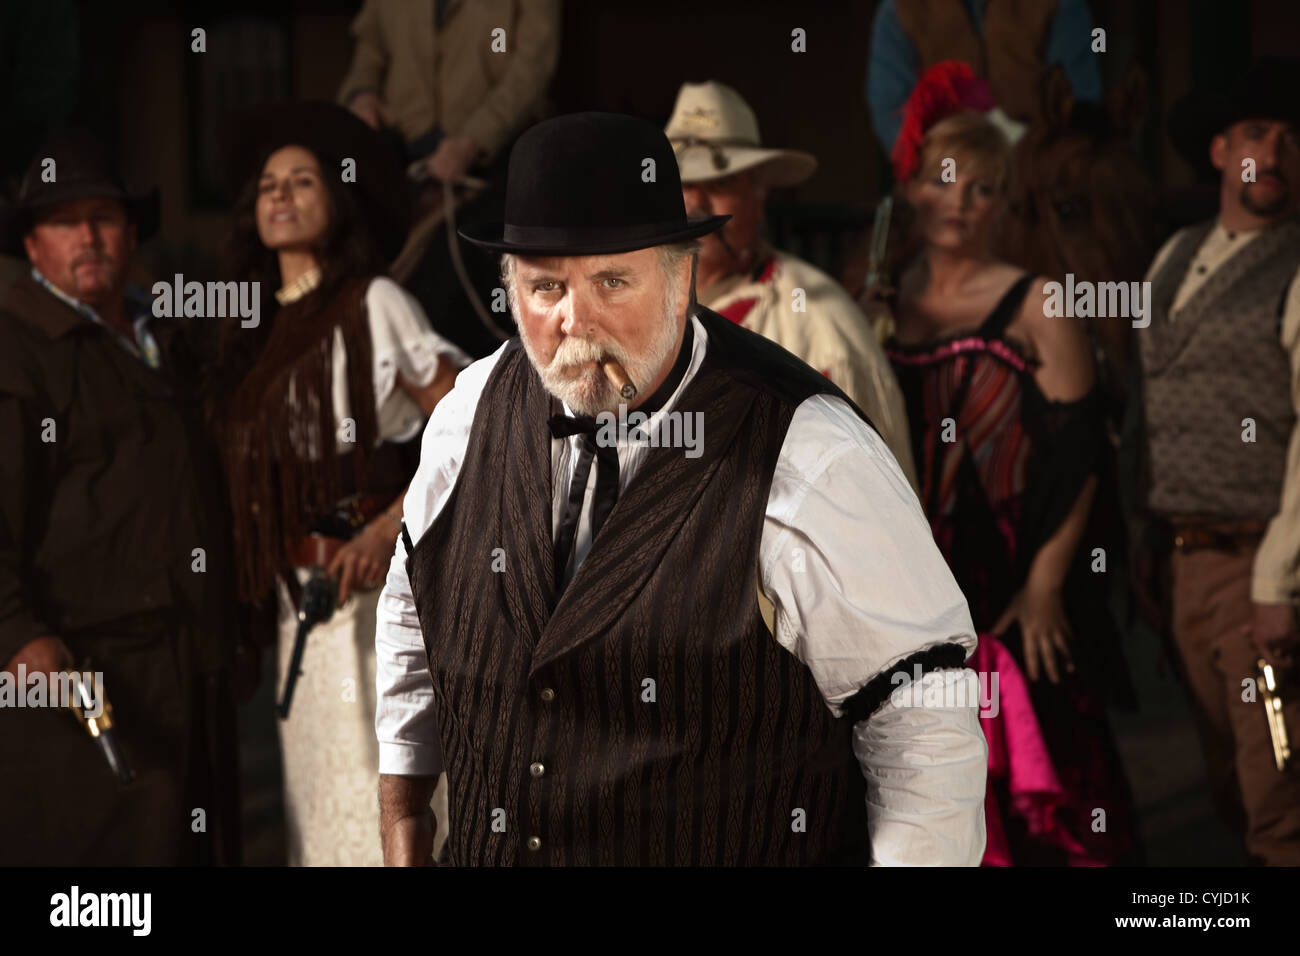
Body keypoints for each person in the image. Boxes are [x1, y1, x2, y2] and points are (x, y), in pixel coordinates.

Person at [374, 111, 988, 867]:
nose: (576, 319)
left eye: (611, 281)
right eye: (543, 287)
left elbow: (924, 719)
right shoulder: (467, 416)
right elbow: (412, 611)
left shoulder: (810, 451)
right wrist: (404, 829)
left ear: (680, 277)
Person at [879, 66, 1139, 865]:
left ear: (1002, 202)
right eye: (944, 181)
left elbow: (1081, 453)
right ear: (914, 188)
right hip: (905, 574)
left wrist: (1047, 584)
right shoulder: (878, 303)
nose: (960, 202)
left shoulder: (1041, 302)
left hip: (1009, 569)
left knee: (1050, 794)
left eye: (984, 188)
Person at [214, 102, 470, 866]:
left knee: (382, 806)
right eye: (267, 186)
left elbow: (470, 427)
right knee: (319, 814)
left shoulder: (375, 303)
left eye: (302, 181)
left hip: (373, 600)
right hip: (302, 610)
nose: (281, 195)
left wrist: (389, 524)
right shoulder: (252, 335)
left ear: (338, 199)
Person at [0, 131, 242, 864]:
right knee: (101, 882)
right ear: (32, 246)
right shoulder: (17, 350)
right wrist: (13, 632)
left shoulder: (166, 332)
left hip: (189, 658)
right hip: (84, 668)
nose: (87, 236)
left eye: (102, 217)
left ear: (130, 232)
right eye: (64, 221)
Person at [1134, 58, 1300, 865]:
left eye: (1295, 139)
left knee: (1280, 803)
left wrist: (1277, 585)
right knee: (1228, 790)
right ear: (1220, 150)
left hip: (1259, 562)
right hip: (1181, 563)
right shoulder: (1174, 252)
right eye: (1258, 133)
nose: (1274, 153)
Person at [667, 80, 918, 489]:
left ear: (759, 190)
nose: (696, 205)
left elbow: (869, 500)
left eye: (720, 184)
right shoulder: (630, 310)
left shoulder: (822, 325)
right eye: (683, 184)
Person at [338, 0, 562, 359]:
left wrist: (474, 141)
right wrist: (360, 94)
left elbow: (532, 64)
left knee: (462, 290)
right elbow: (369, 49)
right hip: (404, 163)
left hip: (500, 163)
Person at [865, 0, 1102, 154]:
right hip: (944, 174)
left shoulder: (1063, 6)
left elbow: (1079, 108)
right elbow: (893, 116)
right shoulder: (900, 10)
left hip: (1035, 176)